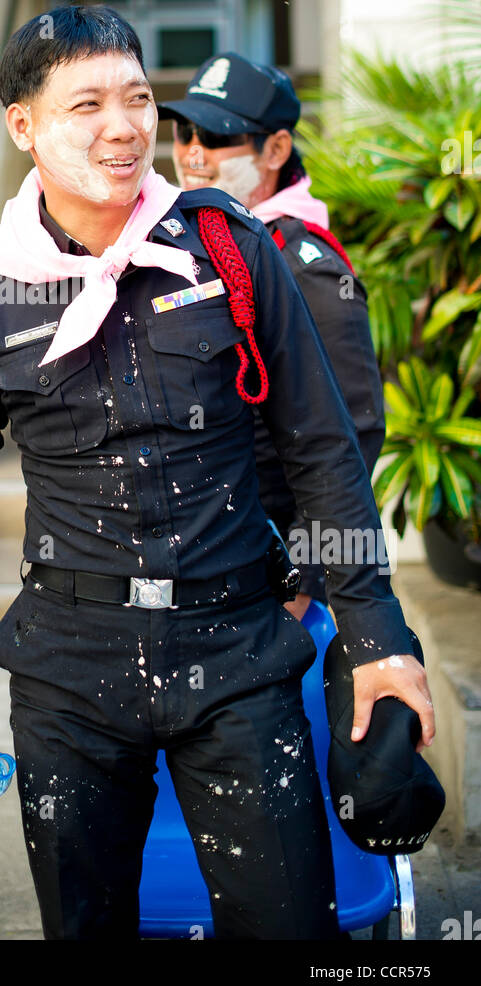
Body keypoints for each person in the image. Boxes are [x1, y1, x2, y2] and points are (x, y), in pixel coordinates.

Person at [0, 4, 434, 941]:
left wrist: (374, 634)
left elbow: (323, 448)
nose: (123, 127)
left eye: (138, 98)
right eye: (86, 105)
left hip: (238, 652)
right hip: (68, 671)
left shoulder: (228, 246)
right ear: (24, 126)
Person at [160, 52, 385, 620]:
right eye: (185, 131)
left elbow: (354, 431)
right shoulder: (209, 243)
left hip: (278, 586)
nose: (192, 152)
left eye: (216, 136)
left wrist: (304, 579)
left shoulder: (302, 262)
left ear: (277, 150)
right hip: (217, 563)